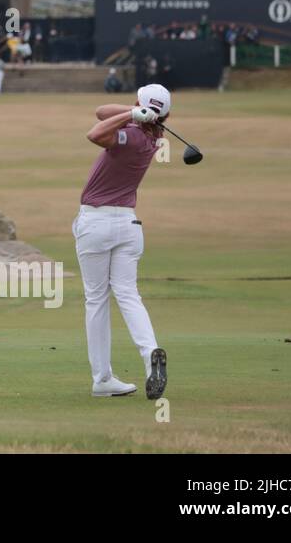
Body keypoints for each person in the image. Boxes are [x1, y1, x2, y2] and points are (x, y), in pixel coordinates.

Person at [73, 85, 171, 399]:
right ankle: (150, 353)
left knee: (97, 299)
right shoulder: (154, 137)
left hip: (97, 223)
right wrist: (142, 113)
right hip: (128, 225)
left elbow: (94, 133)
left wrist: (132, 112)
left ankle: (102, 378)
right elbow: (102, 111)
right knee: (128, 294)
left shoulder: (131, 136)